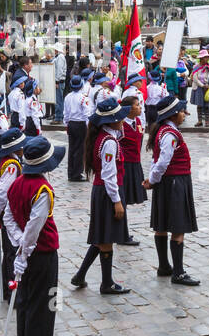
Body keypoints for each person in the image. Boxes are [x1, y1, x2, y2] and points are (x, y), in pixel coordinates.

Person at [3, 136, 66, 336]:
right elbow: (35, 226)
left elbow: (8, 217)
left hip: (26, 252)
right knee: (45, 305)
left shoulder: (17, 183)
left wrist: (18, 244)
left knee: (26, 303)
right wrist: (24, 249)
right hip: (42, 254)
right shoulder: (43, 189)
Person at [72, 98, 131, 295]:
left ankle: (80, 275)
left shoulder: (103, 137)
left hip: (102, 190)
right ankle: (107, 283)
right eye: (120, 117)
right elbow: (109, 175)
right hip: (107, 192)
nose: (123, 120)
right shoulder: (109, 143)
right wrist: (117, 201)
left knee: (101, 236)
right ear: (112, 121)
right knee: (106, 239)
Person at [143, 96, 200, 286]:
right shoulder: (170, 134)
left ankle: (164, 266)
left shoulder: (164, 131)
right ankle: (178, 271)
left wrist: (153, 178)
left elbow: (156, 160)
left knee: (161, 225)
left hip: (166, 182)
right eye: (182, 111)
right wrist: (152, 179)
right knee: (178, 226)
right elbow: (163, 161)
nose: (184, 114)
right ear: (174, 114)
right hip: (175, 181)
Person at [0, 129, 26, 303]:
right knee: (11, 252)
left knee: (9, 251)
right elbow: (3, 192)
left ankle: (9, 289)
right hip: (10, 213)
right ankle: (12, 291)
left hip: (6, 211)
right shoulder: (12, 165)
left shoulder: (9, 161)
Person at [117, 89, 146, 247]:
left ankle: (122, 231)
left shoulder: (139, 122)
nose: (140, 107)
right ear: (128, 109)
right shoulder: (120, 125)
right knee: (122, 199)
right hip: (124, 165)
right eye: (137, 105)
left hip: (135, 163)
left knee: (127, 198)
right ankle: (122, 234)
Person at [63, 76, 91, 182]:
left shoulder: (67, 97)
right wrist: (88, 127)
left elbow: (65, 113)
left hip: (71, 123)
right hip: (80, 124)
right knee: (80, 149)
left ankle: (71, 172)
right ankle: (77, 173)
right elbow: (86, 114)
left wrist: (66, 123)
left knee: (72, 148)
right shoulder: (84, 98)